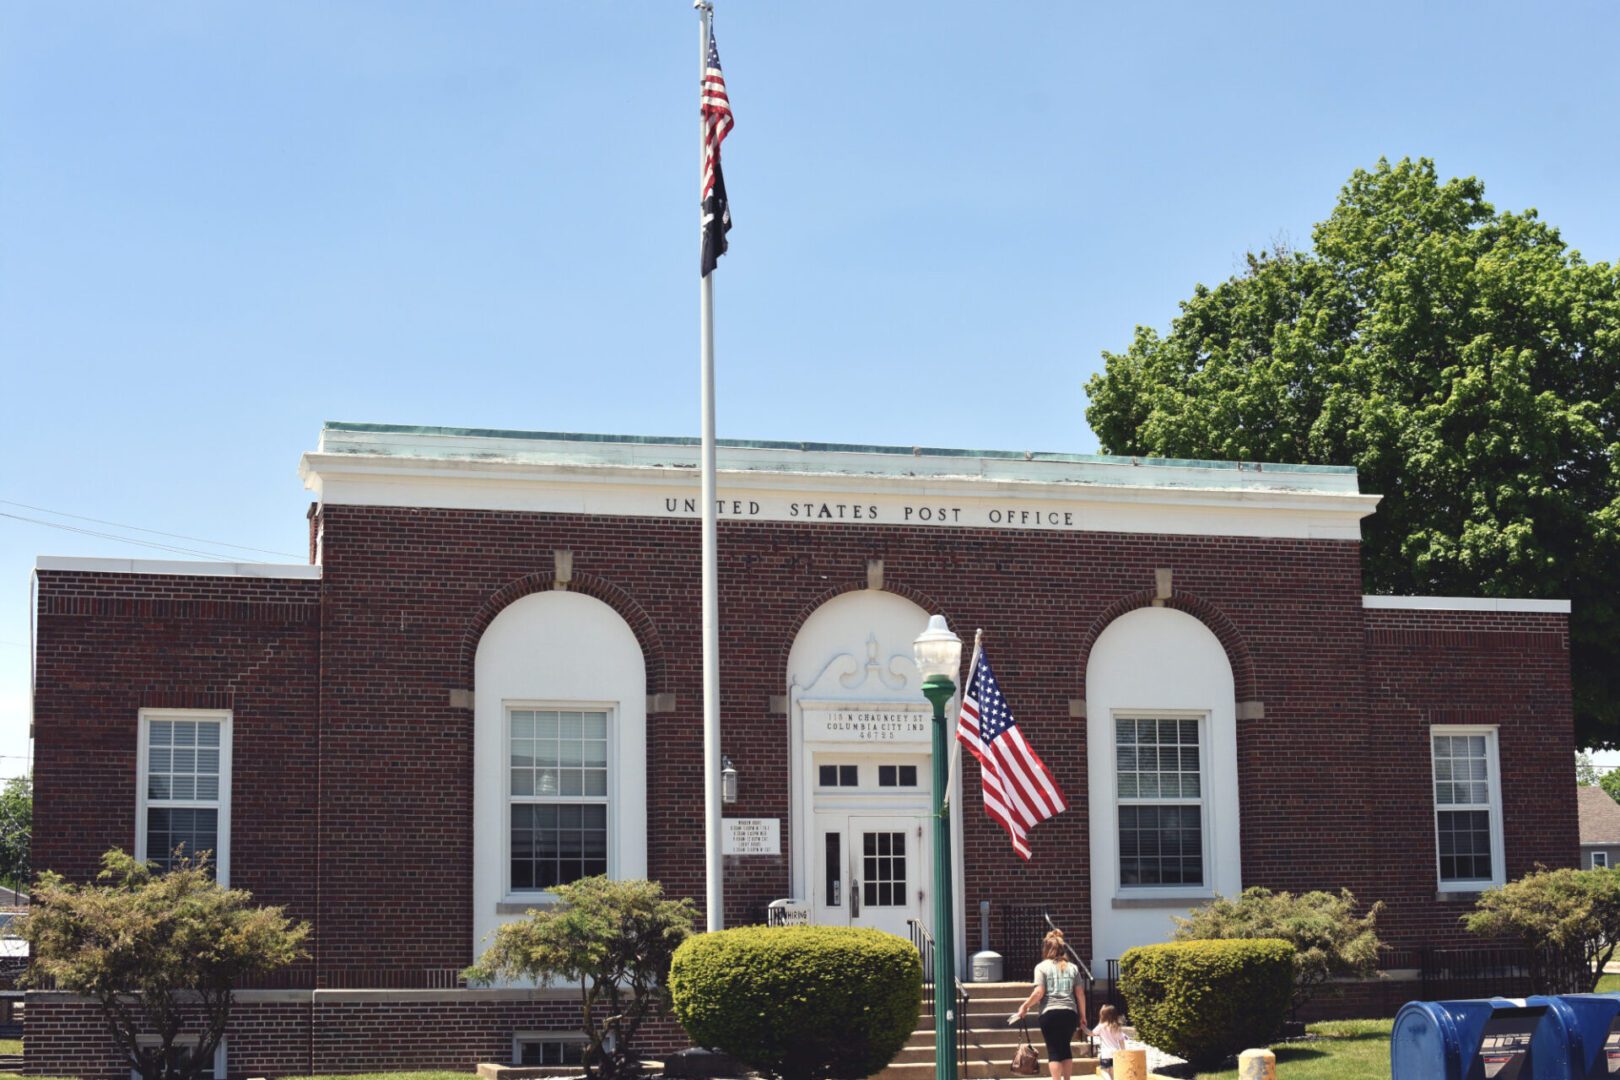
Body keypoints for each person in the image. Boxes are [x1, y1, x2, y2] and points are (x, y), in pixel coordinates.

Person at [1014, 929, 1089, 1080]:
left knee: (1054, 1051)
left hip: (1050, 1013)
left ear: (1046, 949)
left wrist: (1025, 1006)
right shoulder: (1073, 968)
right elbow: (1080, 993)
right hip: (1069, 1013)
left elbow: (1039, 992)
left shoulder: (1041, 967)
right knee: (1065, 1049)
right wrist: (1082, 1015)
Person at [1091, 1004, 1128, 1077]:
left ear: (1102, 1015)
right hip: (1115, 1052)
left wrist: (1083, 1028)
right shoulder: (1116, 1027)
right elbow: (1121, 1041)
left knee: (1104, 1071)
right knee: (1112, 1072)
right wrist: (1123, 1052)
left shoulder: (1101, 1026)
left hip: (1106, 1054)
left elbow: (1092, 1033)